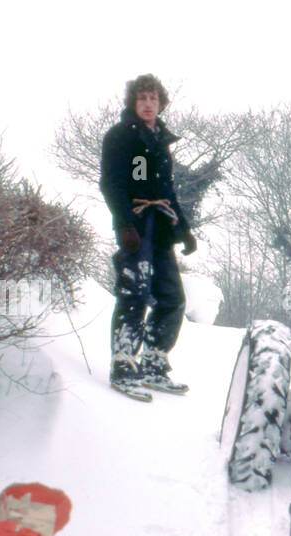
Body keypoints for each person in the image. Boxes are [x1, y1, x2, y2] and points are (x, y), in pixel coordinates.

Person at [99, 74, 197, 396]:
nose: (148, 103)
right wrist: (124, 224)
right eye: (142, 98)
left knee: (172, 298)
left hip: (161, 228)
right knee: (134, 292)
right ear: (132, 102)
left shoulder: (158, 141)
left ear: (161, 103)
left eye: (153, 98)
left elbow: (163, 188)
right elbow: (112, 184)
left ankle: (154, 362)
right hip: (137, 227)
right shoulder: (121, 137)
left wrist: (183, 228)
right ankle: (124, 364)